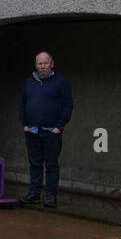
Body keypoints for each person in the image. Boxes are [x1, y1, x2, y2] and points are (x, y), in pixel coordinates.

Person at [18, 51, 73, 207]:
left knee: (51, 165)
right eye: (39, 63)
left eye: (45, 63)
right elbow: (22, 103)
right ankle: (34, 194)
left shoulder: (61, 82)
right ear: (36, 65)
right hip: (32, 131)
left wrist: (59, 126)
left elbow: (68, 105)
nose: (42, 66)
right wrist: (25, 124)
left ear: (51, 64)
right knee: (34, 165)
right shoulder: (29, 82)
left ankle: (50, 197)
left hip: (51, 131)